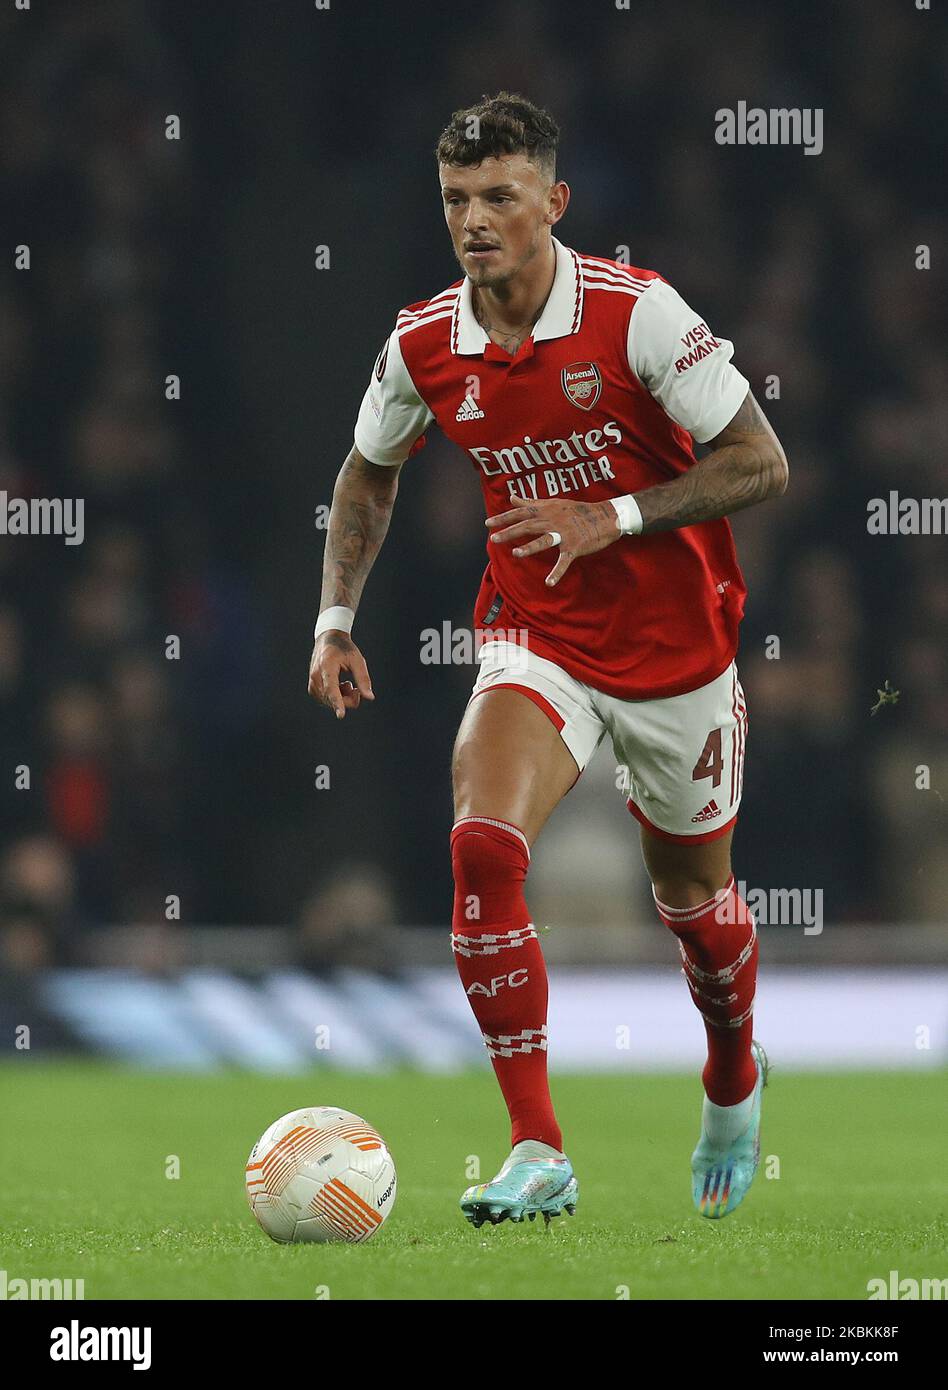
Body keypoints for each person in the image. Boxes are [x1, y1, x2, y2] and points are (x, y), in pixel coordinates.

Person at [308, 93, 788, 1228]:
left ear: (554, 204)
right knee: (482, 844)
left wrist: (611, 517)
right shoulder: (424, 341)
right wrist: (334, 618)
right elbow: (367, 472)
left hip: (678, 654)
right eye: (456, 200)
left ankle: (732, 1074)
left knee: (695, 904)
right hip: (539, 636)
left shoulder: (638, 316)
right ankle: (538, 1145)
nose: (475, 221)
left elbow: (761, 462)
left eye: (500, 198)